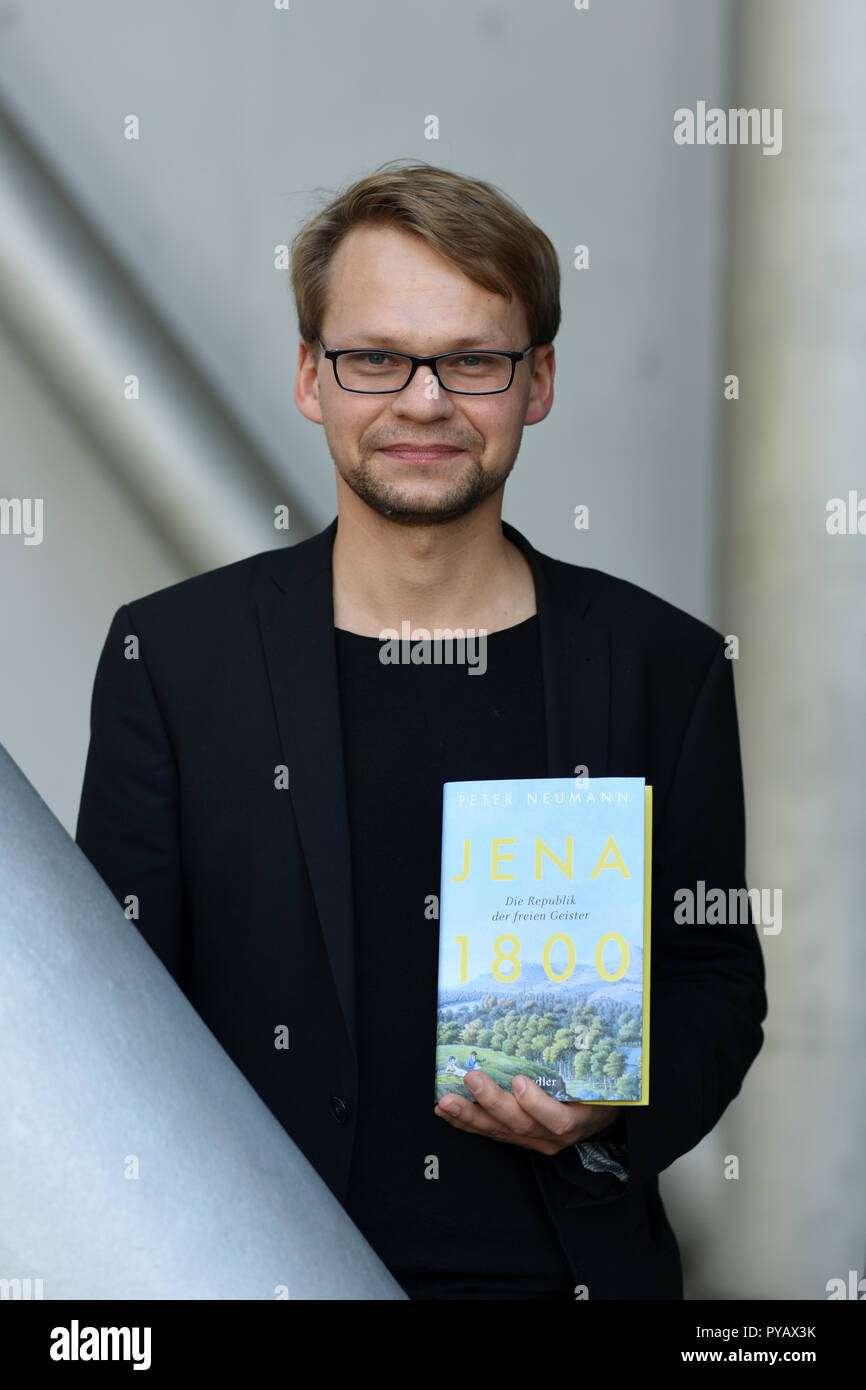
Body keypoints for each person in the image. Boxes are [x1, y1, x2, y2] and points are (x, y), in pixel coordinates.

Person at [75, 159, 767, 1300]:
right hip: (256, 1278)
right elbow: (121, 1012)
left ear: (536, 381)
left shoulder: (662, 664)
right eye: (375, 357)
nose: (424, 399)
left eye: (473, 359)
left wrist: (611, 1104)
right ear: (311, 375)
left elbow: (711, 978)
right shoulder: (173, 660)